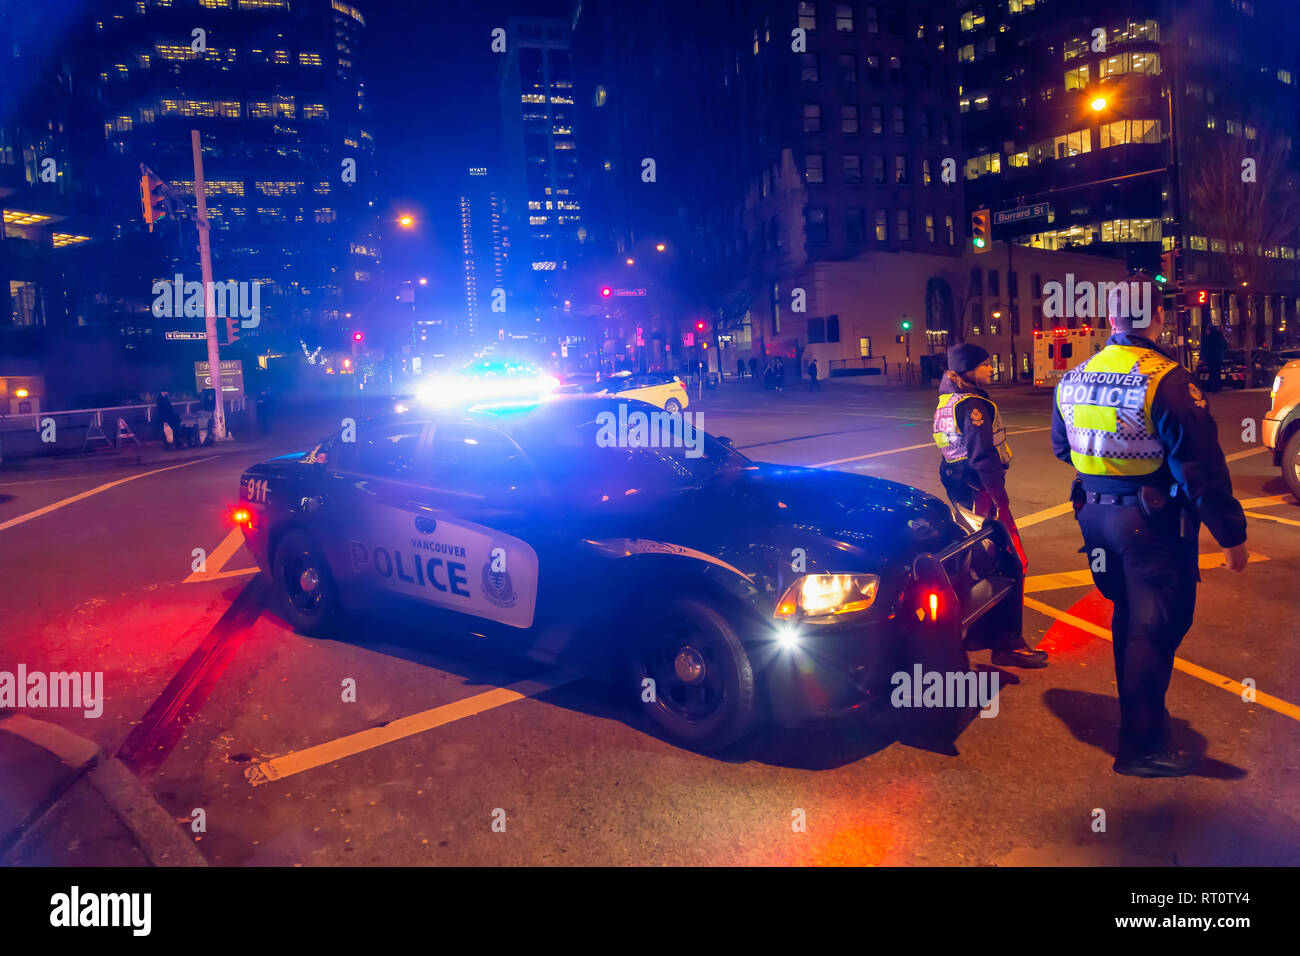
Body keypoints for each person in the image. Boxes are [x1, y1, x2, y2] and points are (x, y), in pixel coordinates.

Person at [1052, 287, 1248, 777]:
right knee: (1155, 630)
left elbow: (1062, 447)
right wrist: (1231, 534)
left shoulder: (1074, 377)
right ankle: (1140, 747)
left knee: (1131, 621)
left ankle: (1145, 722)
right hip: (1150, 525)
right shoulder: (1165, 379)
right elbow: (1199, 467)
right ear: (1157, 317)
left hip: (1095, 517)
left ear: (1112, 317)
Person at [932, 343, 1045, 669]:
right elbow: (982, 455)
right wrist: (998, 497)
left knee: (978, 558)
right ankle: (1009, 642)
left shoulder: (946, 400)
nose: (990, 369)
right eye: (984, 365)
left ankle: (977, 633)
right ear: (966, 370)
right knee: (1013, 559)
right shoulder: (974, 405)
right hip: (980, 489)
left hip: (958, 486)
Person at [1201, 324, 1226, 393]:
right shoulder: (1220, 337)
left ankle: (1212, 387)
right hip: (1218, 358)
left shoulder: (1207, 338)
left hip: (1210, 359)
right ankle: (1216, 387)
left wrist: (1204, 357)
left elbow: (1204, 348)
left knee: (1212, 373)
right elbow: (1225, 345)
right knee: (1216, 373)